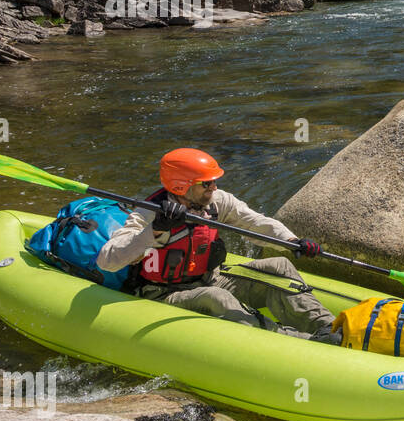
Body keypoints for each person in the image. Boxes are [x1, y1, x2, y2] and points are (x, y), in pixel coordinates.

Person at [97, 148, 340, 345]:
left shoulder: (216, 202)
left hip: (210, 278)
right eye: (206, 183)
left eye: (213, 182)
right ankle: (297, 342)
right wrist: (155, 230)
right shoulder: (149, 213)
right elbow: (107, 260)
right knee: (217, 297)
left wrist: (291, 241)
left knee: (279, 266)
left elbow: (254, 222)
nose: (213, 187)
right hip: (164, 293)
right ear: (182, 185)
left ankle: (330, 329)